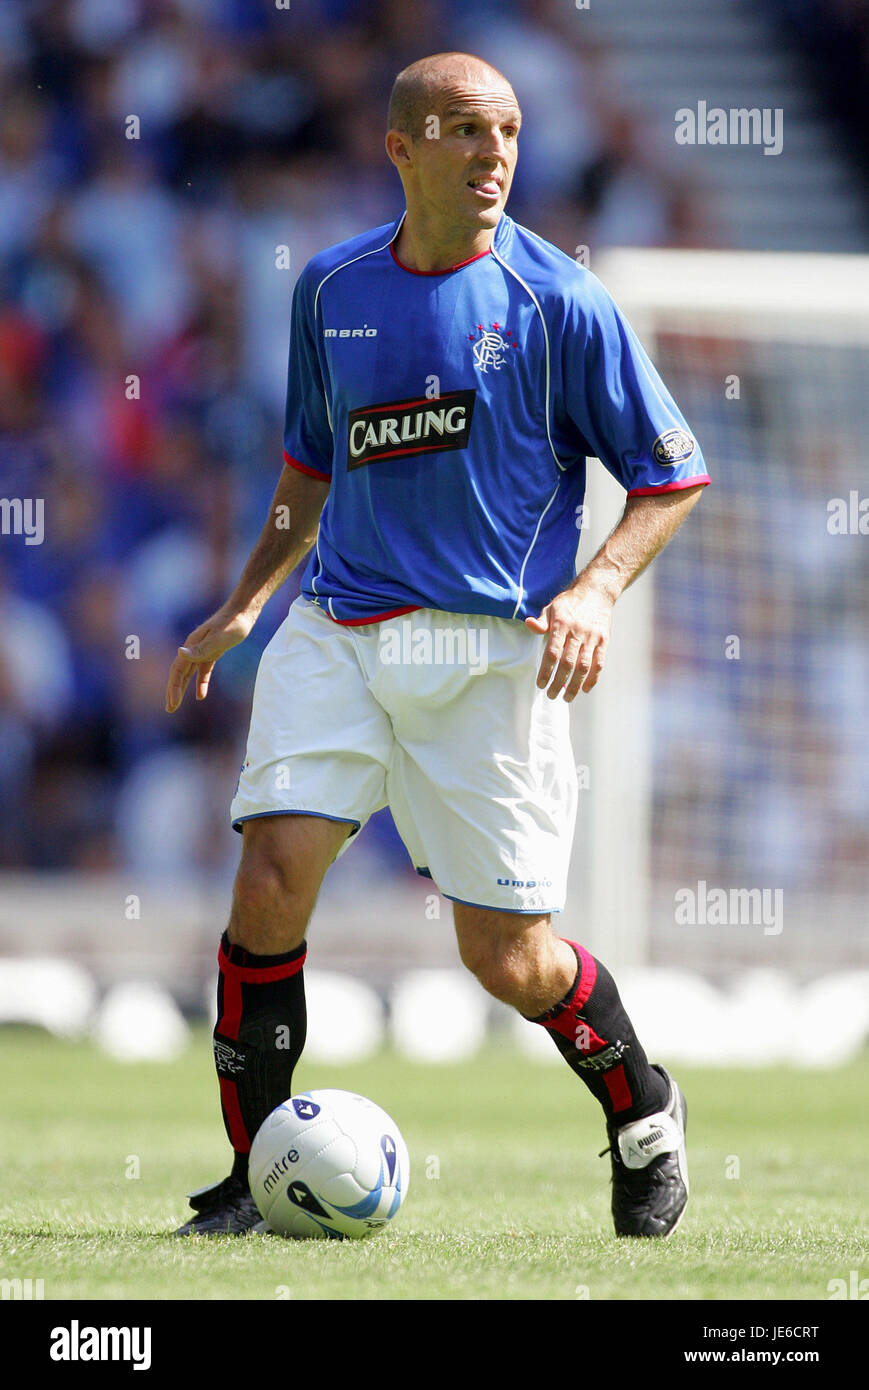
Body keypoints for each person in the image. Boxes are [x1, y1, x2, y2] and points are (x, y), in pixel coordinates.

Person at [165, 52, 709, 1239]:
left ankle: (642, 1113)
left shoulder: (562, 300)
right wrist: (248, 601)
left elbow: (670, 475)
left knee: (508, 960)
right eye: (464, 129)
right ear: (400, 147)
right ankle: (251, 1171)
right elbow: (309, 465)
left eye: (505, 130)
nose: (492, 151)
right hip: (339, 629)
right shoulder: (330, 288)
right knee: (268, 883)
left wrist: (596, 590)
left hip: (487, 659)